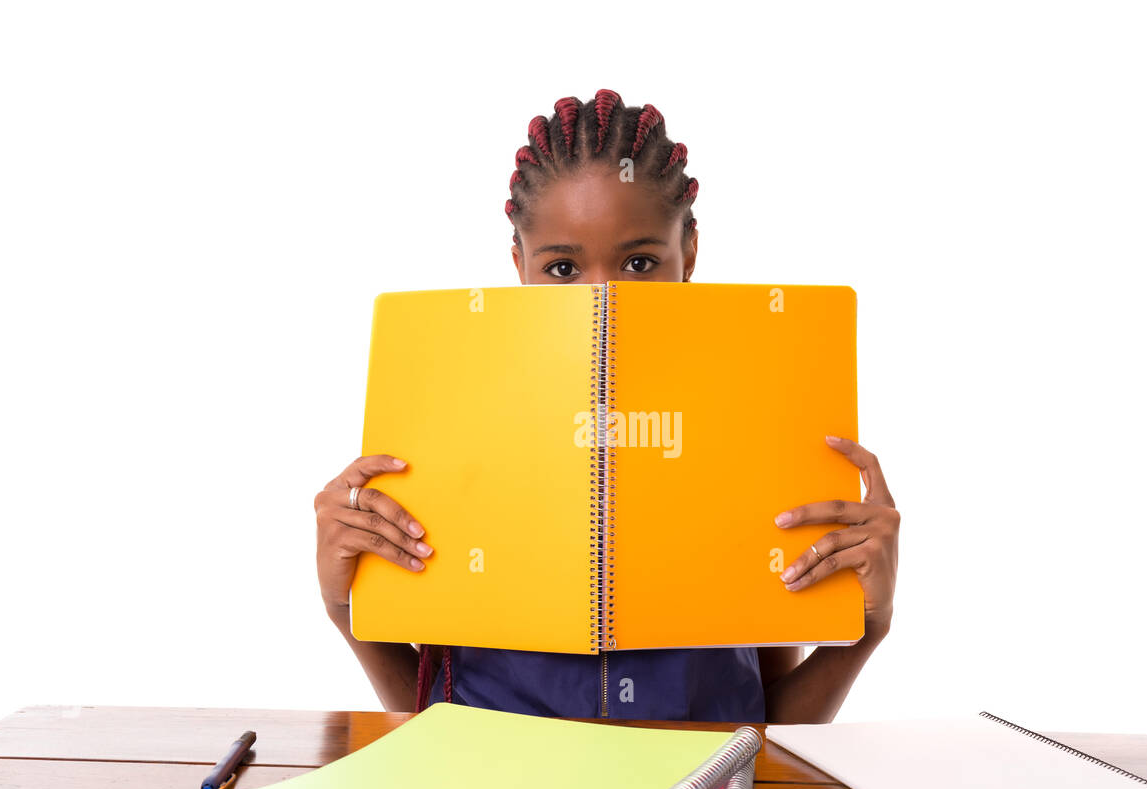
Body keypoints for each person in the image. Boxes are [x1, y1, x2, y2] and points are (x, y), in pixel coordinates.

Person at [314, 91, 900, 724]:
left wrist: (866, 628)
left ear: (691, 253)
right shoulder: (447, 430)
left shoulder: (757, 425)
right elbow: (433, 727)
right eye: (563, 267)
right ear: (519, 265)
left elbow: (769, 730)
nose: (603, 301)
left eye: (639, 262)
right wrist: (350, 611)